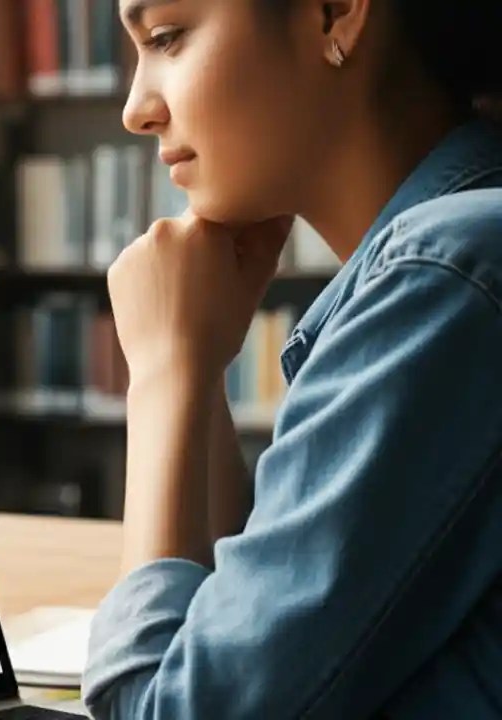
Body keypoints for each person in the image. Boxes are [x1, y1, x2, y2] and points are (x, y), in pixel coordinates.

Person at [83, 0, 502, 717]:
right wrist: (198, 365)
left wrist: (161, 373)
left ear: (334, 13)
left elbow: (170, 708)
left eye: (167, 38)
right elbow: (234, 623)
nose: (137, 110)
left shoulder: (446, 276)